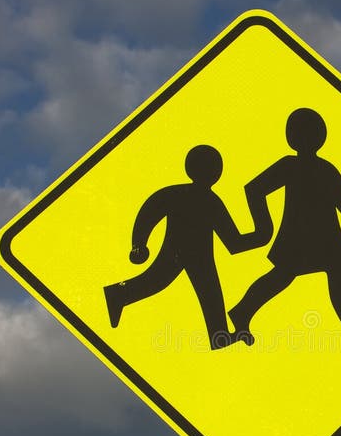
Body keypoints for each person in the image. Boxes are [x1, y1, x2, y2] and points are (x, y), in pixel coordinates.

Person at [229, 108, 341, 356]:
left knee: (331, 276)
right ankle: (242, 311)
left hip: (325, 237)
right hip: (302, 235)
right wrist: (264, 227)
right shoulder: (291, 165)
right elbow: (254, 189)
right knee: (286, 275)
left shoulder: (326, 169)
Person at [104, 144, 263, 349]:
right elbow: (151, 211)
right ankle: (117, 295)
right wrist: (138, 244)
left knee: (188, 287)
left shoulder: (202, 199)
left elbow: (232, 242)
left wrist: (260, 237)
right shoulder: (198, 198)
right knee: (170, 283)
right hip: (183, 252)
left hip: (195, 255)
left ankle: (219, 335)